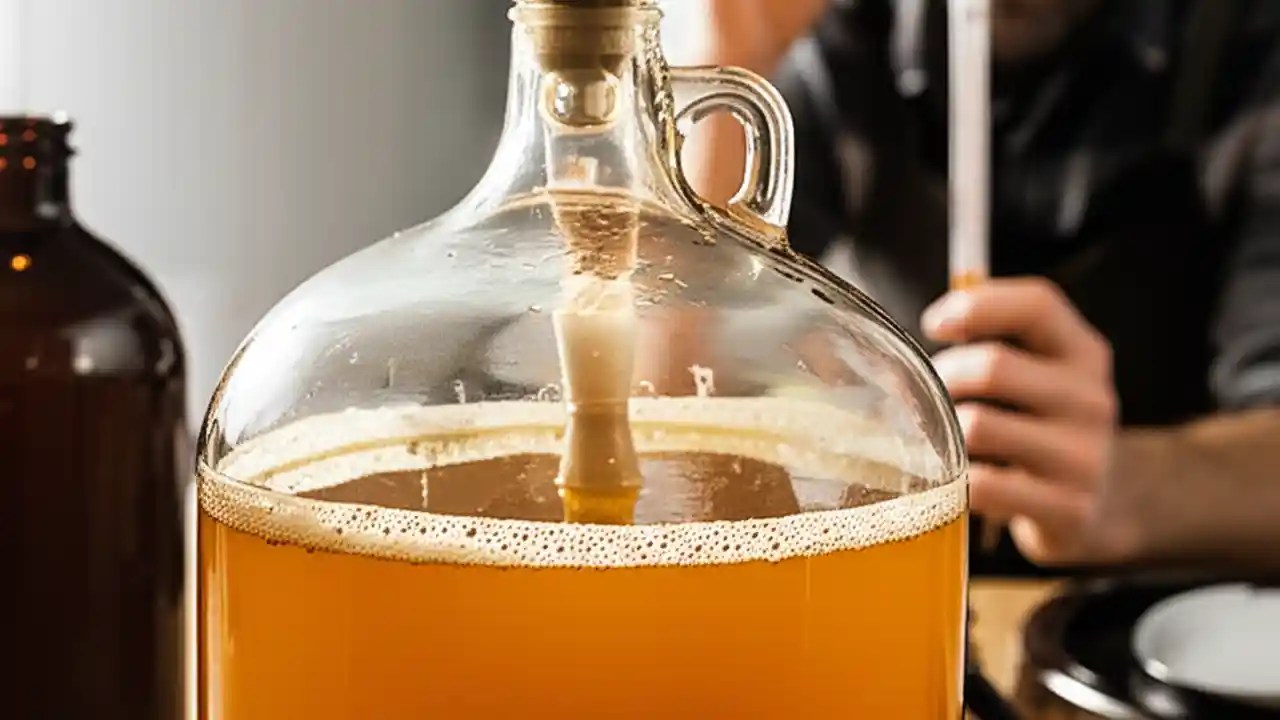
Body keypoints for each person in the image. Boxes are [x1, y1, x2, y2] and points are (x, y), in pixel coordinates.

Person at [687, 0, 1280, 573]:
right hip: (894, 579)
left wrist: (1122, 487)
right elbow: (670, 400)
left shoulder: (1249, 40)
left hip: (1147, 616)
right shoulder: (836, 30)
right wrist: (734, 61)